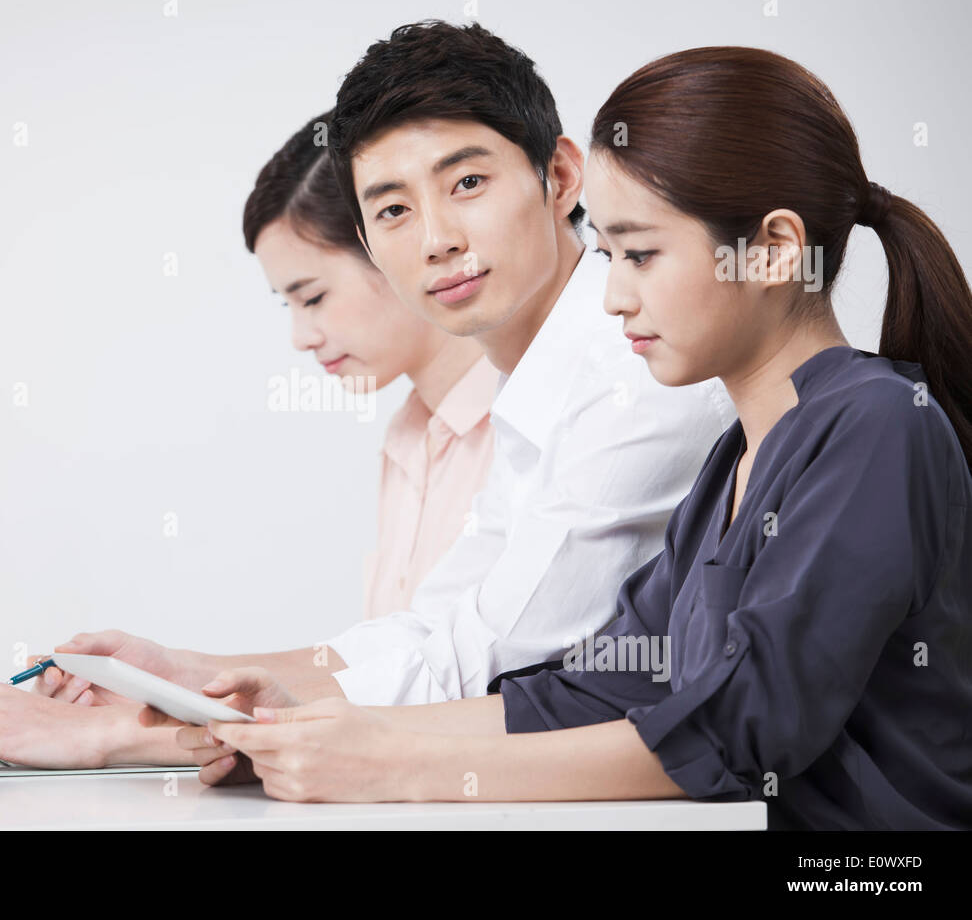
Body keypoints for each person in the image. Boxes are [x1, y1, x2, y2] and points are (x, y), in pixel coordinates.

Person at [173, 46, 972, 831]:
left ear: (772, 251)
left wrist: (393, 762)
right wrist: (320, 733)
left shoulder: (877, 424)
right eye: (614, 254)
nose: (615, 295)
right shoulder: (733, 465)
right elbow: (594, 688)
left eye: (644, 255)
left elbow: (739, 728)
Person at [0, 23, 733, 774]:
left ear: (558, 176)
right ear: (373, 240)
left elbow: (495, 662)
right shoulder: (541, 385)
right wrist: (187, 675)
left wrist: (141, 733)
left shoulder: (634, 368)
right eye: (394, 209)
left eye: (469, 181)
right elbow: (436, 633)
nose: (438, 237)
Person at [245, 111, 498, 622]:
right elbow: (396, 665)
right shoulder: (408, 441)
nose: (301, 338)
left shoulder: (526, 426)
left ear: (384, 247)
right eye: (286, 304)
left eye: (312, 298)